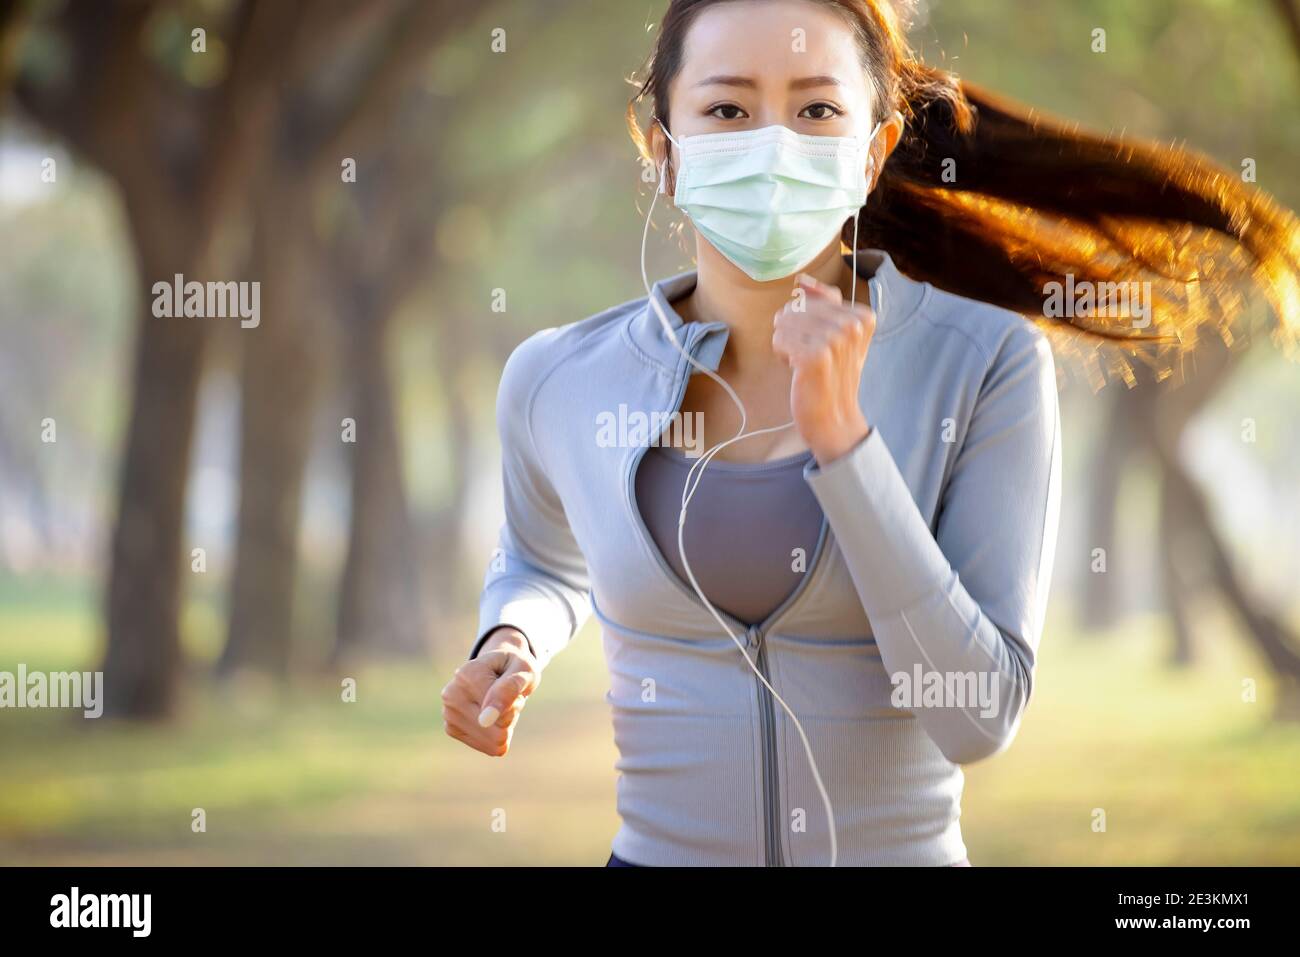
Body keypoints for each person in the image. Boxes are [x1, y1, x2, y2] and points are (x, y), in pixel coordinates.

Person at [441, 0, 1300, 866]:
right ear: (661, 147)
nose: (773, 147)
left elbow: (977, 713)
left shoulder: (984, 362)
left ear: (874, 151)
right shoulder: (561, 376)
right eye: (728, 110)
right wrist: (509, 637)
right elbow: (542, 561)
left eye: (816, 110)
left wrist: (847, 446)